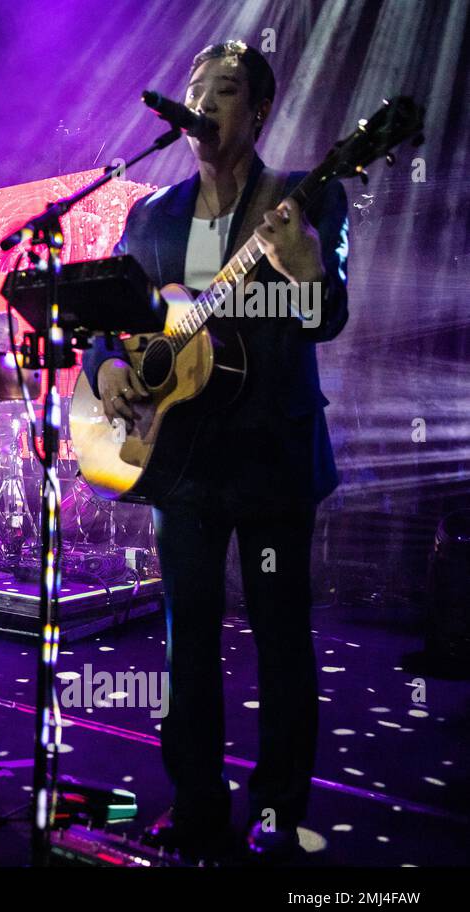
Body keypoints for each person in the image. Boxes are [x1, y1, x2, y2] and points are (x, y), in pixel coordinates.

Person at [83, 40, 349, 863]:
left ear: (258, 111)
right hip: (181, 462)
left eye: (225, 90)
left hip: (269, 457)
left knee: (280, 641)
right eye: (197, 89)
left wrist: (303, 264)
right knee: (185, 641)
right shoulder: (153, 215)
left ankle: (274, 814)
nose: (204, 102)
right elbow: (111, 324)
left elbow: (325, 314)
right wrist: (114, 366)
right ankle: (196, 805)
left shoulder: (301, 197)